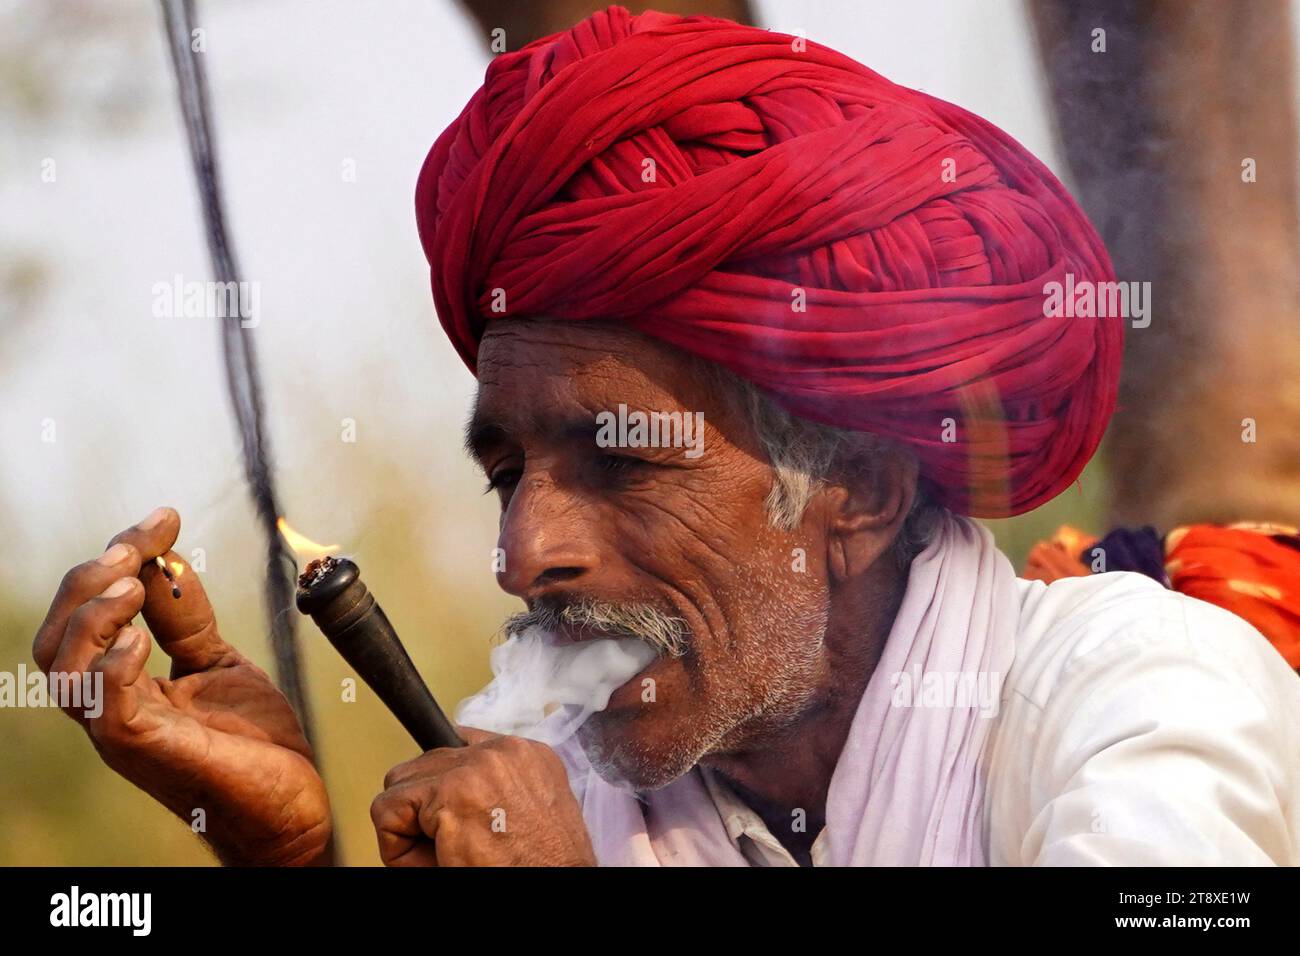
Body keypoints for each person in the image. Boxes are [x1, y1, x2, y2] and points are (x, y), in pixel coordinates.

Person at [33, 7, 1300, 866]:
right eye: (507, 471)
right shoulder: (585, 786)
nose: (526, 555)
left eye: (622, 459)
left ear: (851, 486)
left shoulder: (1138, 699)